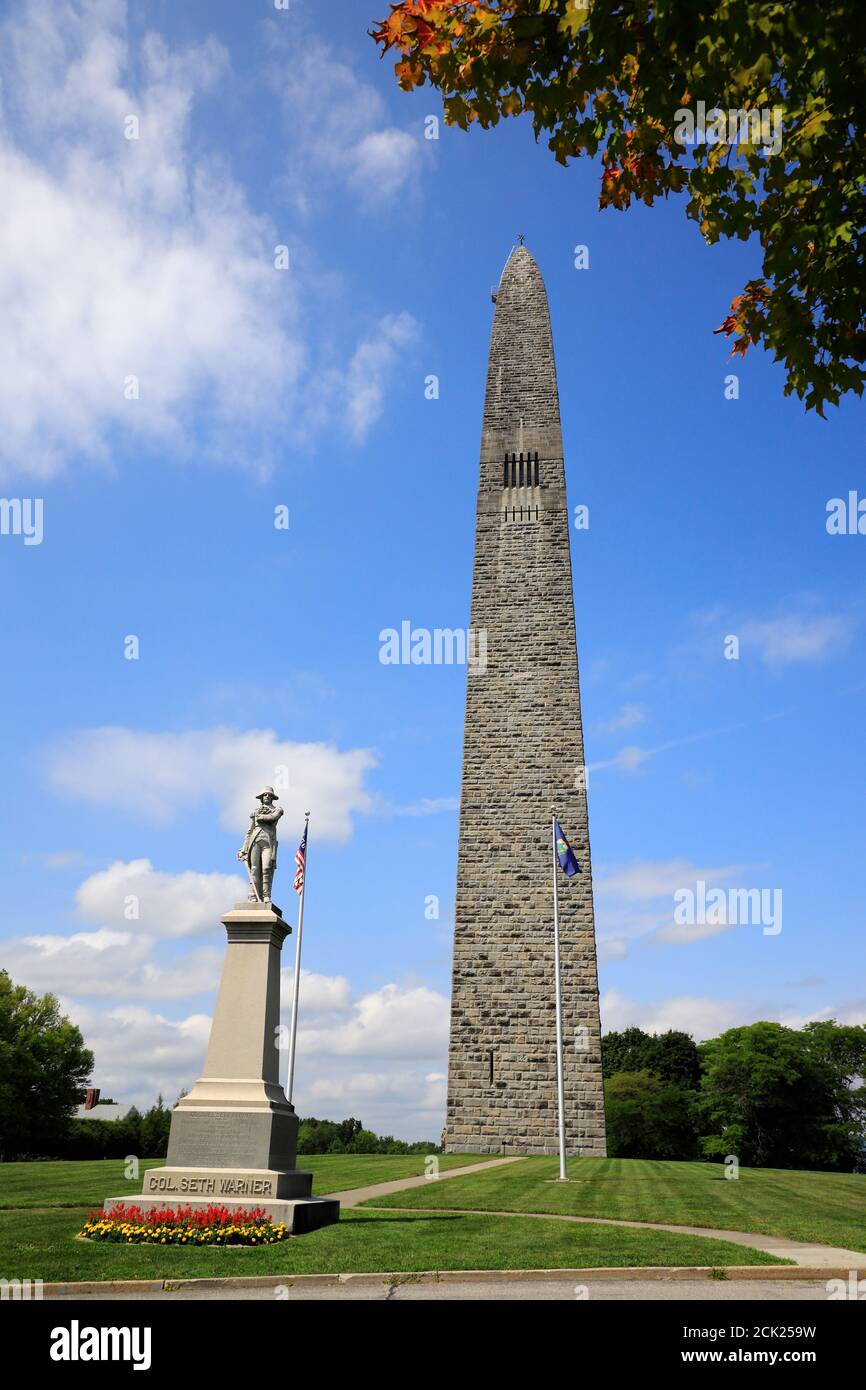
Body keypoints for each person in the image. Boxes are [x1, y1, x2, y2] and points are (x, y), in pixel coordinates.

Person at [237, 787, 283, 903]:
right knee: (254, 869)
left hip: (268, 842)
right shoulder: (255, 812)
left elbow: (272, 818)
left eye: (269, 795)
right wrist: (244, 848)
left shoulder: (277, 809)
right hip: (255, 840)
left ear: (272, 798)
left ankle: (266, 895)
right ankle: (253, 895)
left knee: (267, 868)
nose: (267, 796)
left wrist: (261, 817)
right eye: (265, 795)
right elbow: (249, 831)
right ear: (261, 797)